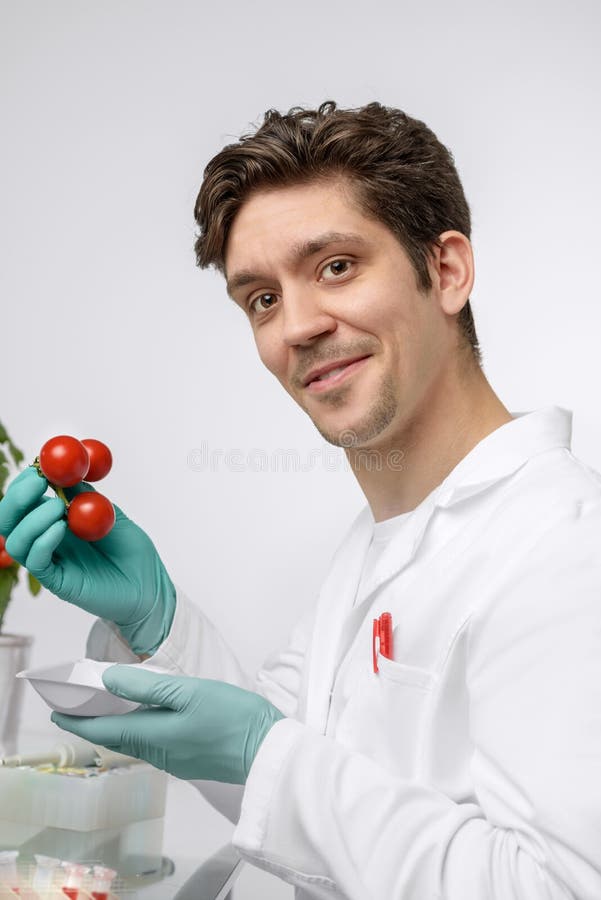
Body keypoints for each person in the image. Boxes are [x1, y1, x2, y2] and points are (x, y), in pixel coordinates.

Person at [1, 101, 600, 899]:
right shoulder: (375, 545)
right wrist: (157, 623)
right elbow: (282, 778)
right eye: (261, 299)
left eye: (336, 266)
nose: (297, 328)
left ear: (446, 271)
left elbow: (561, 886)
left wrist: (266, 755)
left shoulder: (564, 546)